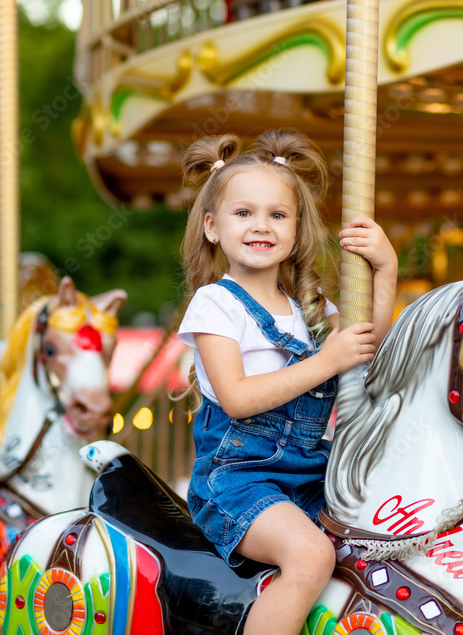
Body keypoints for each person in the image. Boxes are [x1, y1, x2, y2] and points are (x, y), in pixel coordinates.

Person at [176, 129, 397, 634]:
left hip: (310, 475)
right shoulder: (216, 304)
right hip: (236, 481)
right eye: (243, 213)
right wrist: (325, 361)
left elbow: (368, 347)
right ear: (213, 227)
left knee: (379, 536)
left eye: (277, 215)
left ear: (296, 230)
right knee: (311, 555)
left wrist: (385, 270)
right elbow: (236, 398)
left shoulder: (311, 310)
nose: (261, 226)